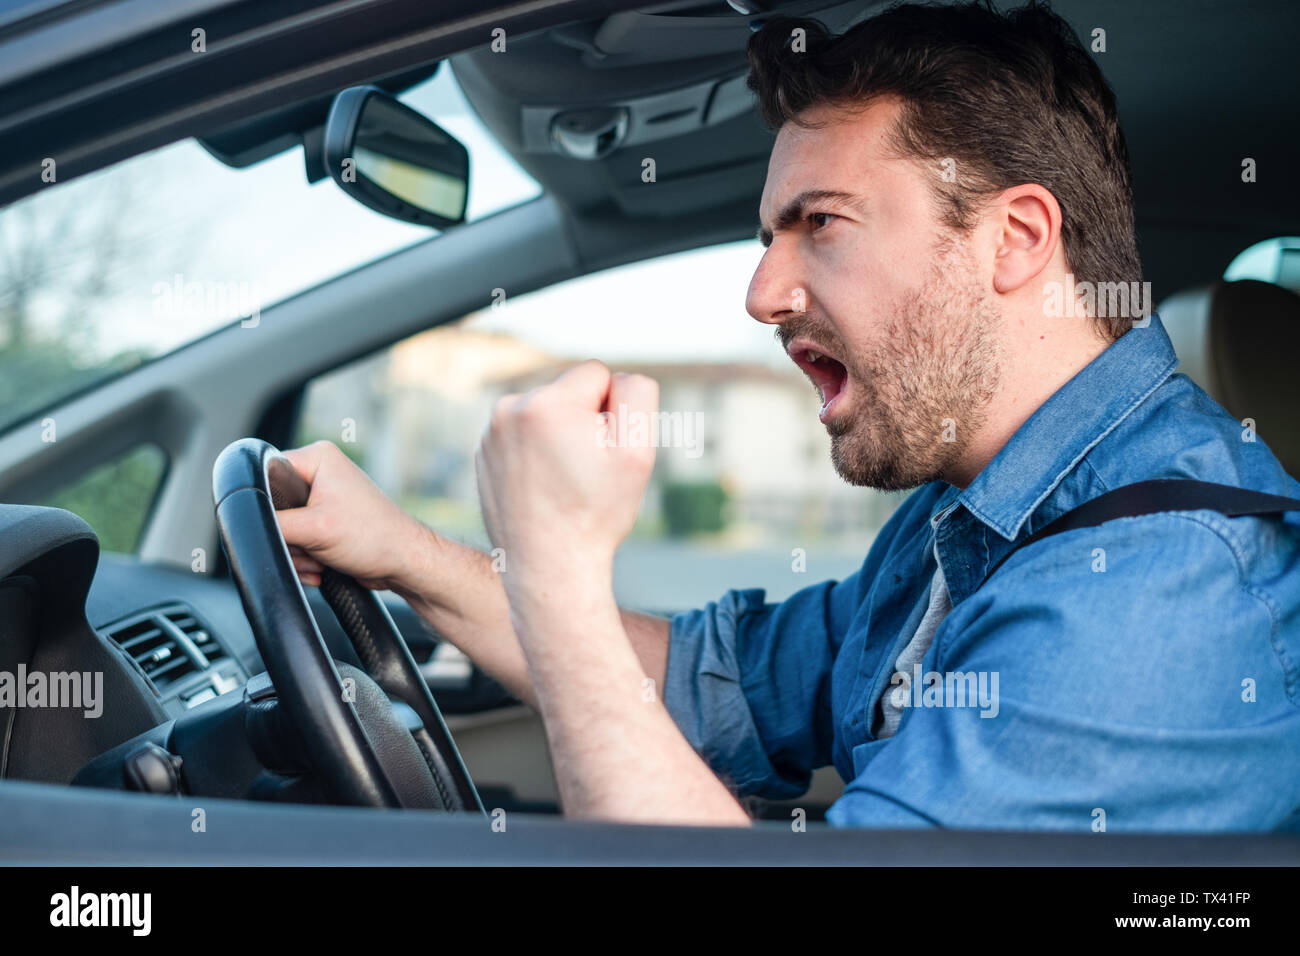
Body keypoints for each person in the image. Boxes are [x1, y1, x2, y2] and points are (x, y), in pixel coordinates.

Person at [277, 1, 1300, 829]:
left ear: (1016, 239)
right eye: (771, 235)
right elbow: (716, 684)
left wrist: (556, 570)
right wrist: (398, 549)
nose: (763, 294)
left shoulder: (1158, 584)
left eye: (821, 224)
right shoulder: (970, 516)